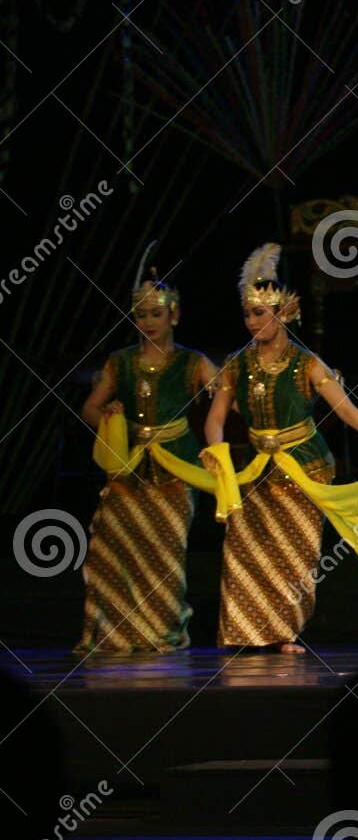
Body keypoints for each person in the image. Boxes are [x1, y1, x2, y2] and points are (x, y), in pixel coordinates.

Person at [202, 244, 358, 653]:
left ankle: (284, 632)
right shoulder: (236, 364)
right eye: (247, 313)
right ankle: (243, 631)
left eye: (260, 313)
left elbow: (349, 413)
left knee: (294, 554)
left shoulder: (307, 363)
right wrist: (217, 451)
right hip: (253, 468)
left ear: (283, 313)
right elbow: (215, 418)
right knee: (246, 551)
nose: (251, 322)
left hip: (304, 467)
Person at [78, 252, 217, 653]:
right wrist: (109, 418)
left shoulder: (193, 363)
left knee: (166, 556)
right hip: (130, 469)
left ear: (174, 315)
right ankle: (115, 635)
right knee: (112, 550)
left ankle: (161, 633)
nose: (149, 322)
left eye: (156, 313)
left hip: (177, 471)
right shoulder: (119, 363)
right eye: (141, 315)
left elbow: (229, 396)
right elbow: (89, 406)